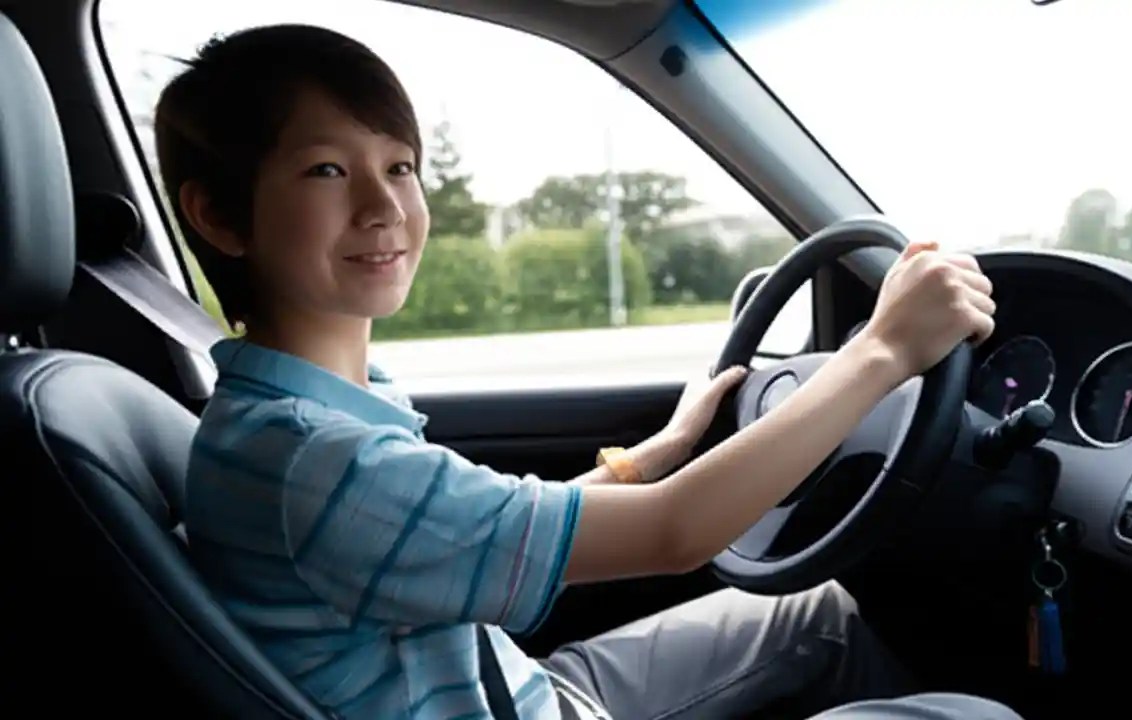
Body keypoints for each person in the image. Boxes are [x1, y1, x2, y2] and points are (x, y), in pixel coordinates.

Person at [155, 22, 1018, 720]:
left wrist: (660, 449)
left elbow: (489, 531)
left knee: (818, 609)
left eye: (400, 166)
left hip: (515, 687)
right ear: (220, 217)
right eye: (327, 170)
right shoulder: (316, 461)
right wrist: (883, 350)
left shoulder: (301, 418)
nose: (383, 206)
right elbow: (675, 533)